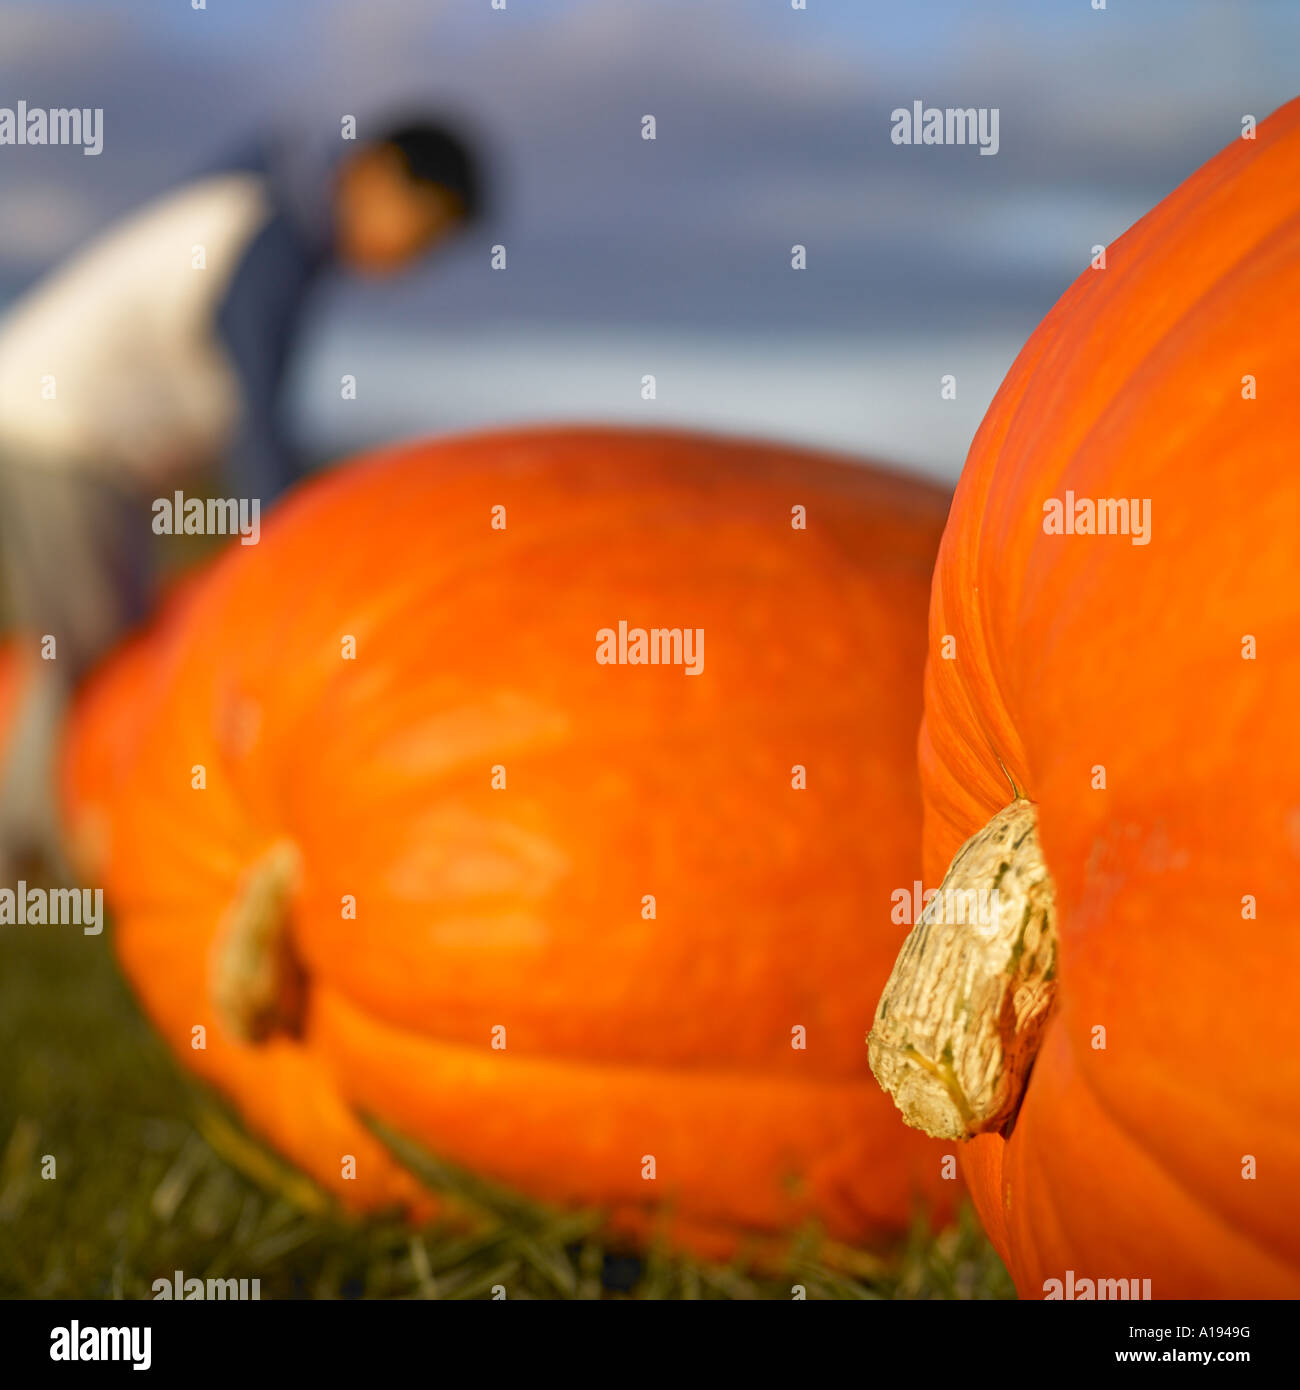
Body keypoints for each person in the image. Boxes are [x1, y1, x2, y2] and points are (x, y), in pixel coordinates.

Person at [0, 118, 483, 878]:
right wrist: (288, 533)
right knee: (86, 648)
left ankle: (43, 842)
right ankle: (33, 853)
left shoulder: (267, 212)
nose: (404, 261)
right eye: (416, 235)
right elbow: (254, 406)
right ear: (376, 178)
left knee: (90, 639)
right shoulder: (274, 240)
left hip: (73, 434)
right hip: (62, 431)